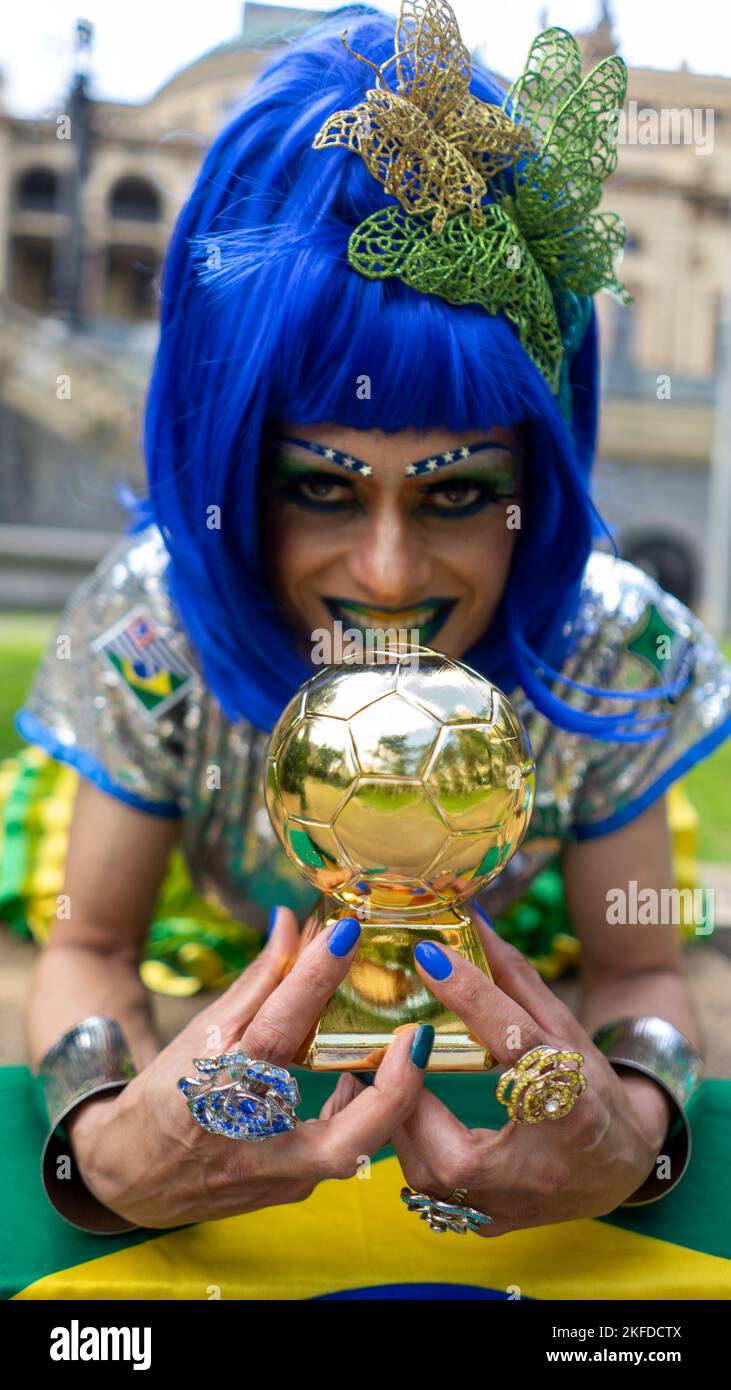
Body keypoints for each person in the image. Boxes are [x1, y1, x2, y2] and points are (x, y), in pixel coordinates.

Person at [15, 2, 731, 1241]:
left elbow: (642, 966)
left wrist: (641, 1128)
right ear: (226, 472)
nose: (391, 575)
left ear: (537, 477)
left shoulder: (611, 646)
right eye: (316, 487)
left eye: (458, 491)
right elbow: (85, 946)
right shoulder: (155, 628)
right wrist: (99, 1140)